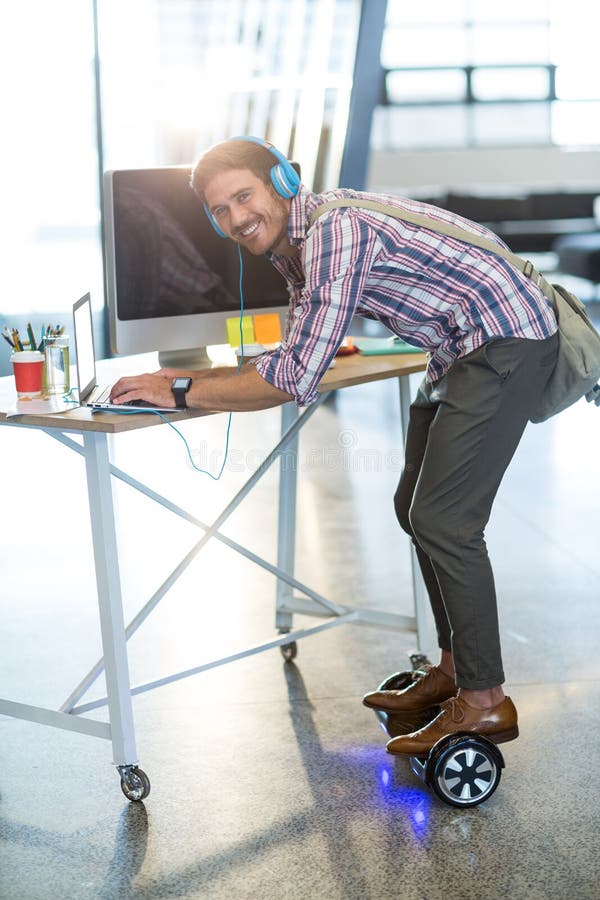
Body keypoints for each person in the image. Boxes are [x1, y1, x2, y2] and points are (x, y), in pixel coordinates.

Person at [110, 137, 558, 755]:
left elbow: (293, 377)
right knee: (414, 509)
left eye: (244, 196)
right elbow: (297, 354)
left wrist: (182, 391)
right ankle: (456, 671)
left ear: (283, 182)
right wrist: (179, 382)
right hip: (457, 345)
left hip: (505, 337)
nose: (237, 219)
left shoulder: (330, 234)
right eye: (220, 211)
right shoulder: (297, 243)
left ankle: (485, 703)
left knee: (445, 520)